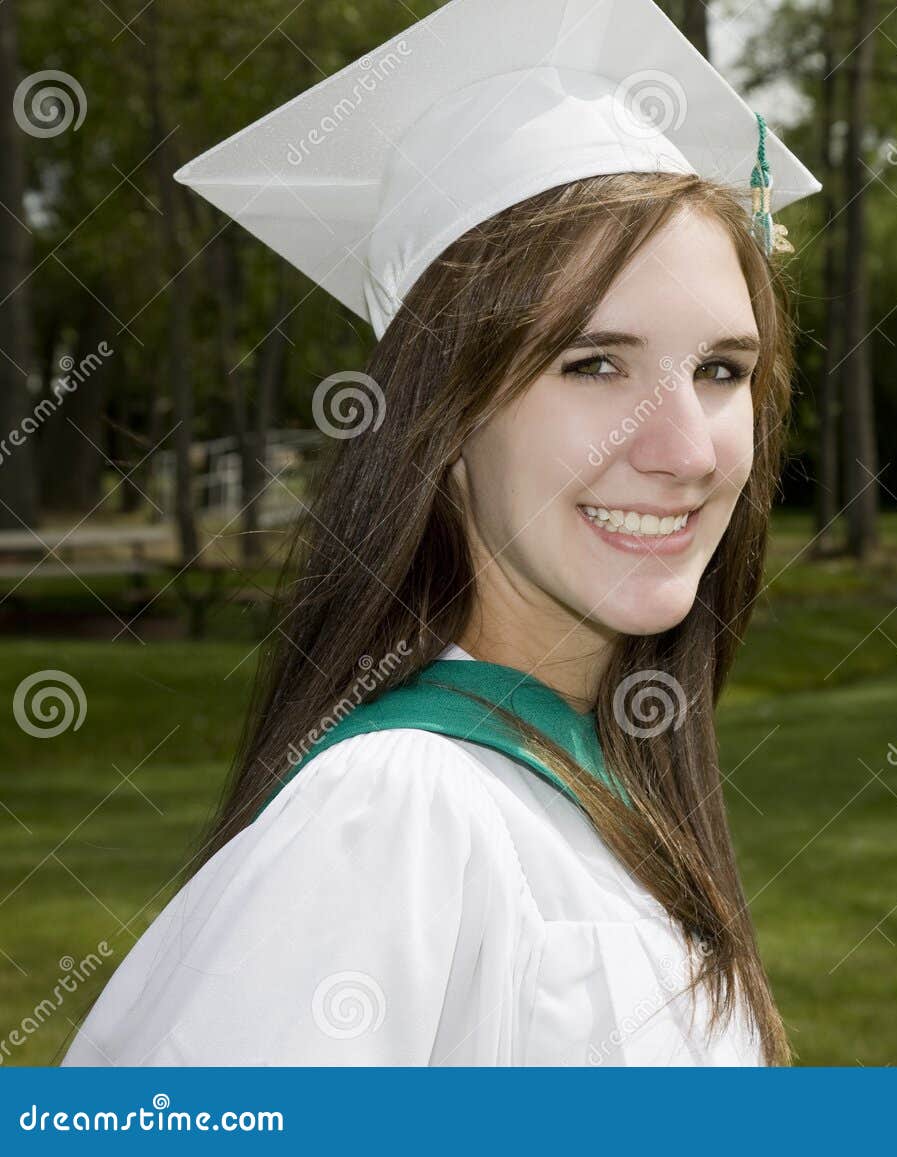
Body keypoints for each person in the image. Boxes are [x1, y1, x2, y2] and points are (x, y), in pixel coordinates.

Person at [61, 0, 819, 1066]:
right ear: (442, 417)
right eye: (593, 363)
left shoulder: (598, 789)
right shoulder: (397, 813)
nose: (688, 449)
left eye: (722, 370)